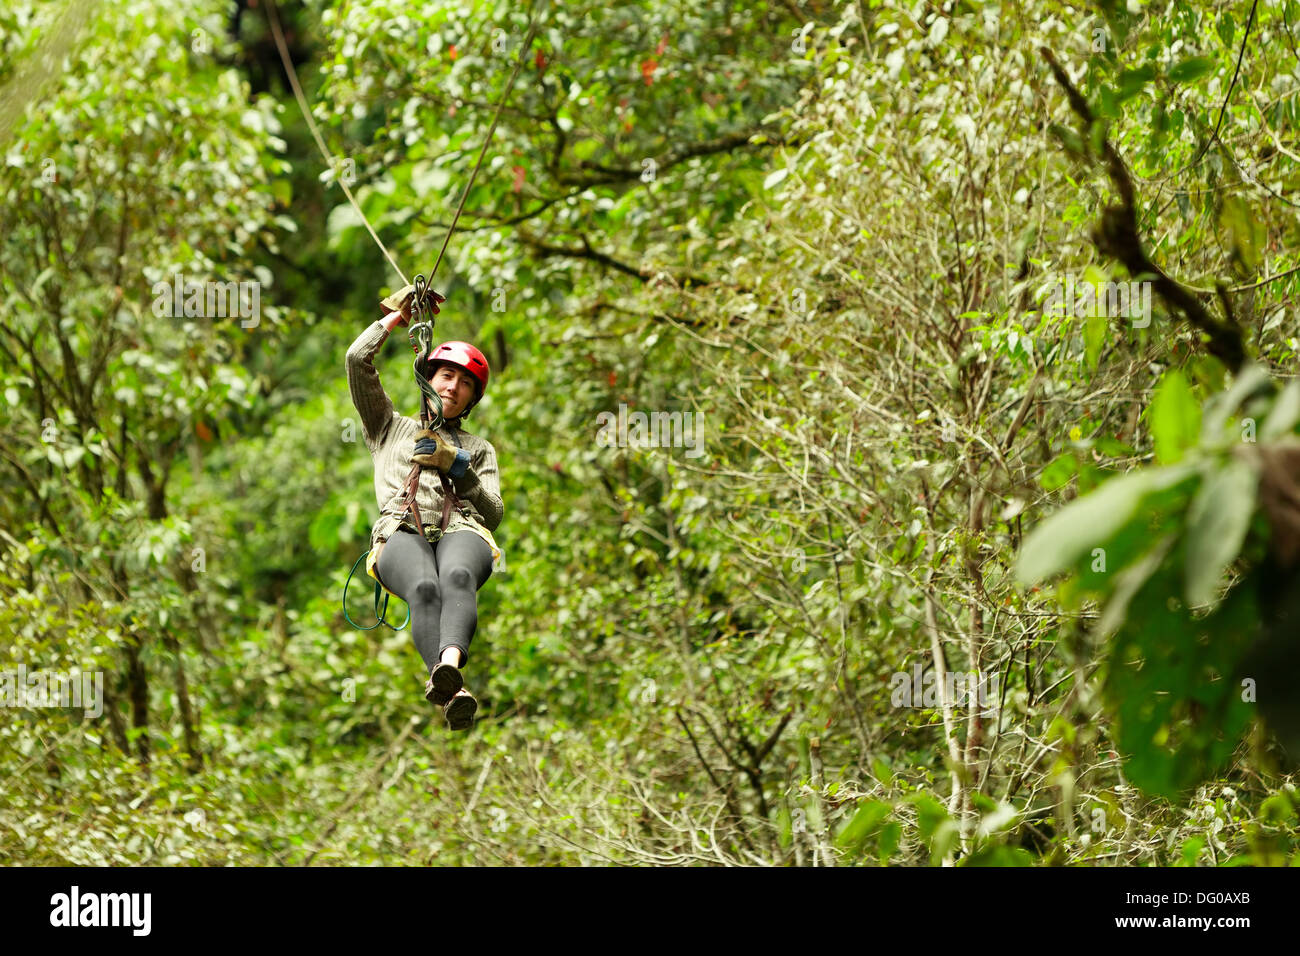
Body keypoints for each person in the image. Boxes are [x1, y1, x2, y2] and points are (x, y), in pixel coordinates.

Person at [345, 286, 503, 731]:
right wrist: (393, 318)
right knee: (425, 588)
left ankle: (447, 667)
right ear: (429, 380)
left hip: (463, 529)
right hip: (401, 529)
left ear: (472, 399)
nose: (453, 387)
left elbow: (492, 512)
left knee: (455, 576)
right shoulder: (388, 427)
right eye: (447, 377)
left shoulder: (478, 447)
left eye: (466, 383)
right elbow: (358, 362)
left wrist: (456, 465)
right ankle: (455, 689)